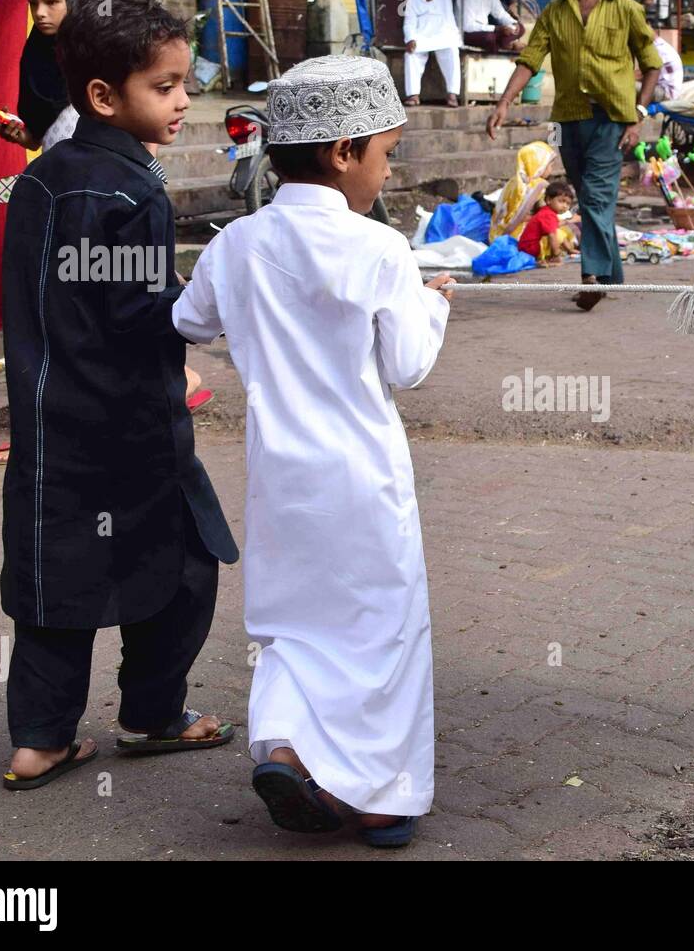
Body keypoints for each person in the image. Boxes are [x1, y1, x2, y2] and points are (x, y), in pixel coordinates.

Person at [172, 55, 455, 848]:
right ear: (341, 152)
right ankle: (379, 801)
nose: (387, 169)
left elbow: (189, 322)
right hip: (363, 479)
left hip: (281, 482)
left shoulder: (235, 243)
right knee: (383, 632)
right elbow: (408, 366)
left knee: (292, 630)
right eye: (385, 152)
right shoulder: (382, 250)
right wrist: (432, 309)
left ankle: (291, 750)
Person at [0, 0, 239, 791]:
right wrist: (203, 307)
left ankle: (39, 739)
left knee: (54, 582)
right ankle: (150, 714)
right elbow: (138, 314)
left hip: (47, 421)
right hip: (132, 425)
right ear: (104, 96)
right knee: (185, 565)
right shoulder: (132, 192)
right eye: (166, 87)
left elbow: (56, 298)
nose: (183, 102)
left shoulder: (41, 180)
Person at [487, 0, 660, 311]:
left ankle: (591, 277)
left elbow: (651, 64)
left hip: (613, 119)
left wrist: (640, 115)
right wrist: (503, 102)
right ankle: (613, 275)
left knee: (596, 196)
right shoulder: (554, 12)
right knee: (590, 194)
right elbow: (531, 59)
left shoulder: (626, 9)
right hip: (567, 121)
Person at [0, 0, 89, 158]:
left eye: (51, 2)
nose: (39, 13)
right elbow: (35, 141)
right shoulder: (36, 57)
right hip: (57, 179)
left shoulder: (103, 52)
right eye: (33, 3)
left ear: (75, 1)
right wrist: (18, 133)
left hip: (105, 181)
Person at [403, 0, 462, 107]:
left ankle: (452, 94)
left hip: (445, 36)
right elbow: (409, 22)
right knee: (411, 55)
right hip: (423, 38)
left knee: (452, 51)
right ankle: (413, 95)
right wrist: (410, 39)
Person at [490, 140, 560, 241]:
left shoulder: (514, 181)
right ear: (539, 165)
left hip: (496, 234)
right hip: (520, 235)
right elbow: (545, 216)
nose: (551, 170)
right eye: (550, 165)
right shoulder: (540, 186)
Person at [519, 179, 579, 265]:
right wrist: (556, 255)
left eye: (568, 203)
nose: (565, 206)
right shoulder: (547, 214)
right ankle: (551, 257)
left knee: (558, 231)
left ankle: (558, 253)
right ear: (548, 200)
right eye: (561, 201)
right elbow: (552, 236)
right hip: (529, 250)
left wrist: (569, 250)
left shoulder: (548, 212)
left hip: (527, 248)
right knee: (555, 234)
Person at [649, 27, 683, 101]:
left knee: (627, 85)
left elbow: (647, 74)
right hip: (665, 88)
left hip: (666, 92)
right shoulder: (661, 45)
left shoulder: (658, 49)